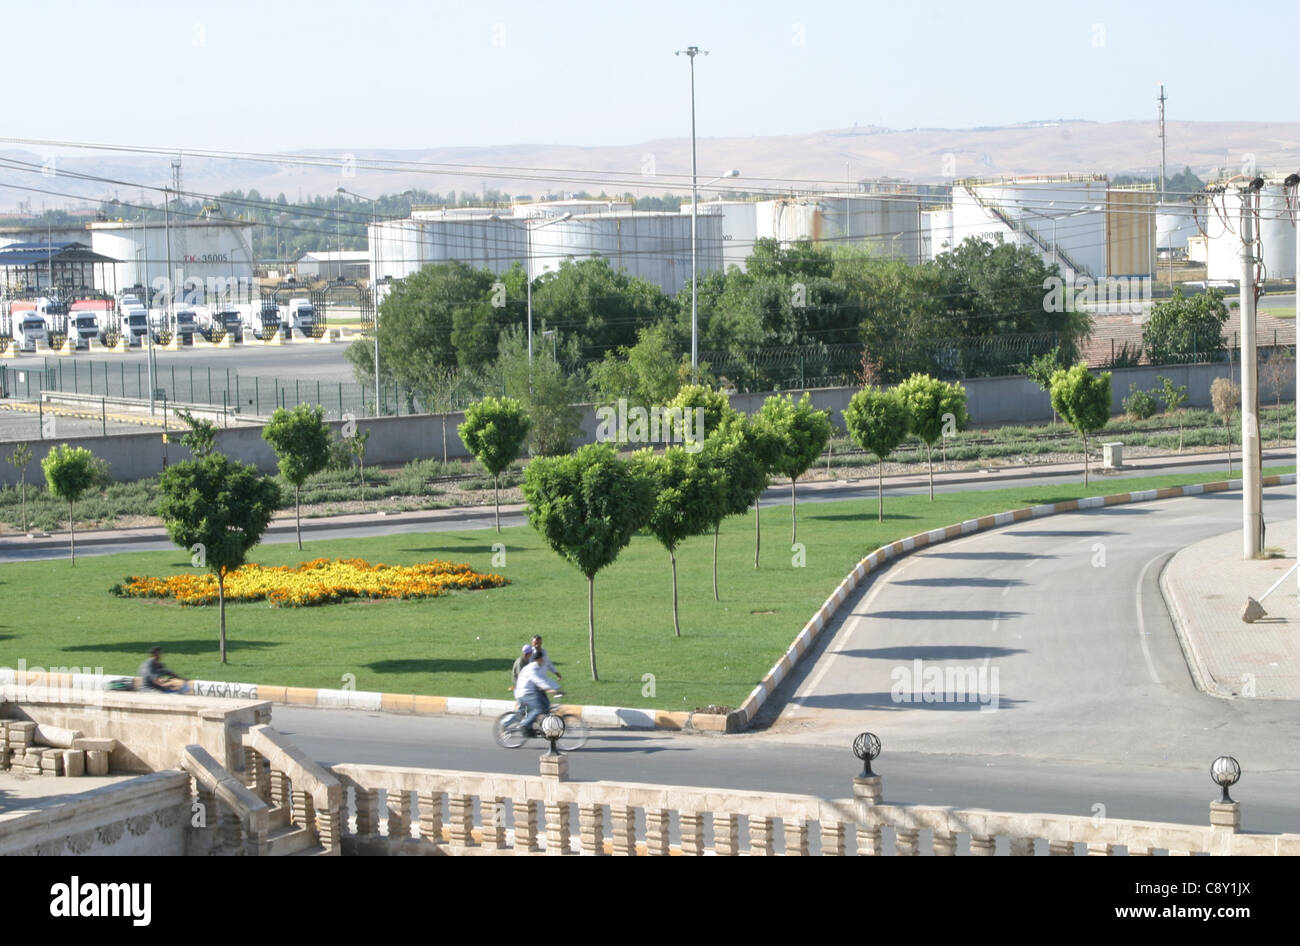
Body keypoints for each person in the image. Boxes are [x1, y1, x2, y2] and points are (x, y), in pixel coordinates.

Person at [513, 650, 559, 736]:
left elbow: (545, 679)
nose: (544, 661)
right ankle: (525, 725)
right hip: (524, 693)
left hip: (532, 692)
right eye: (542, 659)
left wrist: (556, 688)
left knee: (546, 705)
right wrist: (549, 689)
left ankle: (537, 725)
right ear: (539, 659)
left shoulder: (538, 667)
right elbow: (538, 680)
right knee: (539, 708)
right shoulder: (531, 668)